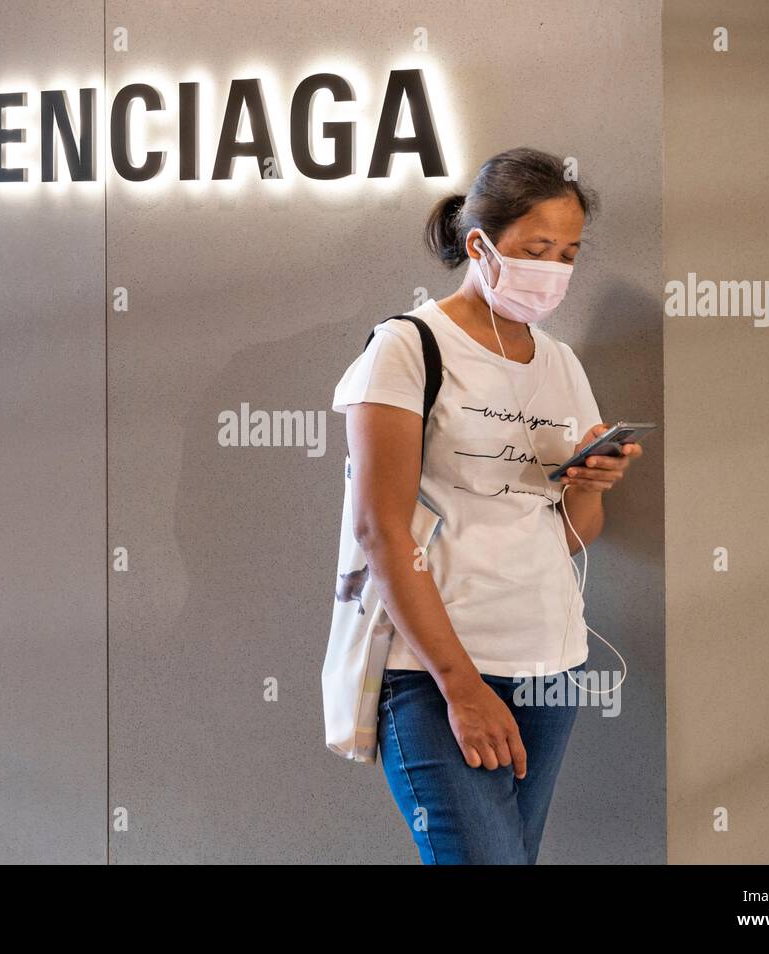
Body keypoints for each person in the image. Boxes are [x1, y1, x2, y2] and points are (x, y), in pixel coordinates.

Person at [331, 146, 643, 864]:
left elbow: (566, 537)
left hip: (549, 663)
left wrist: (588, 490)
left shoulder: (561, 363)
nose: (555, 269)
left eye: (568, 252)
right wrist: (461, 687)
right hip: (435, 671)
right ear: (480, 244)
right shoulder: (408, 347)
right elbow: (380, 531)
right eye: (537, 249)